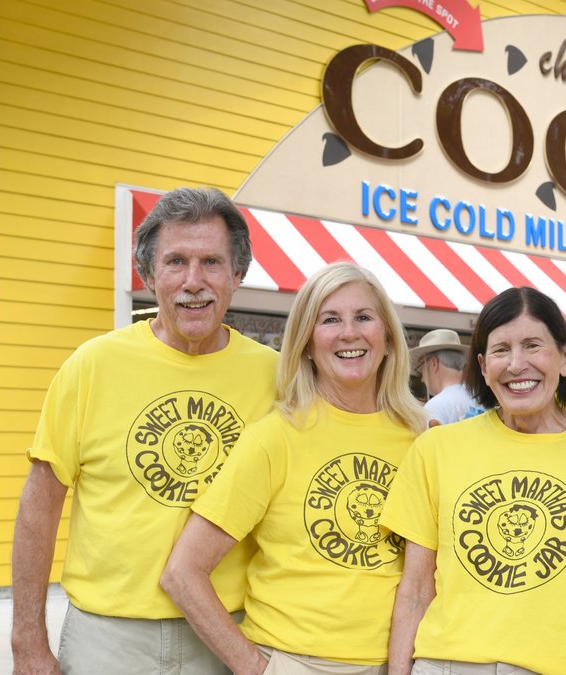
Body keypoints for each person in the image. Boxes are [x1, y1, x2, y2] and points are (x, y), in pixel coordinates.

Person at [10, 187, 278, 674]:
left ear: (237, 275)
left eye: (212, 263)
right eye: (175, 261)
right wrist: (27, 640)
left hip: (227, 632)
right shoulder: (92, 365)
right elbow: (40, 503)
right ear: (148, 273)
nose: (193, 281)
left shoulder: (277, 378)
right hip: (106, 638)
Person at [383, 287, 566, 675]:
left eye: (532, 345)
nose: (516, 364)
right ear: (483, 365)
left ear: (565, 358)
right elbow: (415, 591)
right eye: (501, 350)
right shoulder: (437, 449)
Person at [161, 262, 430, 674]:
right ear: (306, 343)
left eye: (363, 317)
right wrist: (255, 668)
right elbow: (182, 573)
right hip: (293, 660)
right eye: (329, 320)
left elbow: (421, 584)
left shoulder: (422, 440)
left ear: (389, 338)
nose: (349, 333)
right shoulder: (275, 437)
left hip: (396, 664)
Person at [410, 328, 485, 425]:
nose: (422, 379)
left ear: (433, 363)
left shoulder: (434, 408)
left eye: (421, 368)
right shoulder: (483, 400)